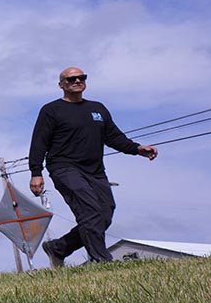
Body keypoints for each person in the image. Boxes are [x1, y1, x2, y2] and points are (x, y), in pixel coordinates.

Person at [29, 67, 157, 266]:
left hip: (95, 171)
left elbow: (113, 137)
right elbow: (39, 142)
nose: (77, 81)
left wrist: (137, 148)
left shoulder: (97, 109)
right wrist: (36, 172)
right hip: (64, 168)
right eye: (71, 79)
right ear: (61, 84)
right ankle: (101, 261)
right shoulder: (51, 110)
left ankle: (59, 247)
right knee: (90, 212)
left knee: (104, 214)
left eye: (81, 77)